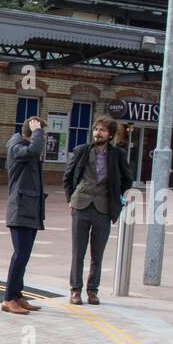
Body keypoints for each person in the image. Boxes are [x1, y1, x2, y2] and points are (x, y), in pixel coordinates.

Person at [63, 115, 133, 305]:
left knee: (97, 254)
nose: (97, 133)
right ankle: (75, 291)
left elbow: (127, 179)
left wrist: (117, 197)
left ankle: (92, 291)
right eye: (96, 129)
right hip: (81, 204)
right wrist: (71, 198)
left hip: (103, 207)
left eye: (102, 130)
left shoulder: (117, 154)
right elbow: (68, 177)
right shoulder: (81, 151)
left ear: (110, 134)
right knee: (78, 252)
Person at [2, 116, 47, 315]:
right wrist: (37, 131)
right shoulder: (16, 146)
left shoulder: (23, 146)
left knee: (25, 255)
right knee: (19, 254)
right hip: (20, 208)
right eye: (40, 133)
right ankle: (8, 299)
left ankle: (17, 295)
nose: (42, 137)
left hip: (30, 208)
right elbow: (34, 150)